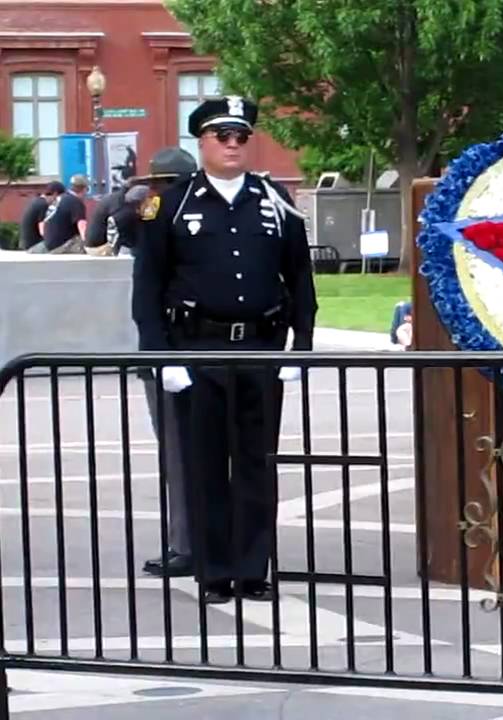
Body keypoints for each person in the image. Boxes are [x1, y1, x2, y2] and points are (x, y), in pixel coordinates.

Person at [131, 96, 318, 604]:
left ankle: (253, 567)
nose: (233, 145)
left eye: (240, 136)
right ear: (203, 142)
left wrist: (300, 344)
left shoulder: (274, 200)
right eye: (222, 136)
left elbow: (300, 274)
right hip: (198, 345)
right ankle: (215, 571)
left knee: (257, 463)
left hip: (260, 344)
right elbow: (148, 284)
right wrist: (159, 355)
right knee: (206, 463)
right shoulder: (171, 203)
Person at [114, 146, 200, 578]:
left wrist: (136, 190)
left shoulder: (154, 213)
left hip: (168, 346)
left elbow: (123, 219)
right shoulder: (207, 213)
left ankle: (186, 544)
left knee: (180, 452)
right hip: (204, 346)